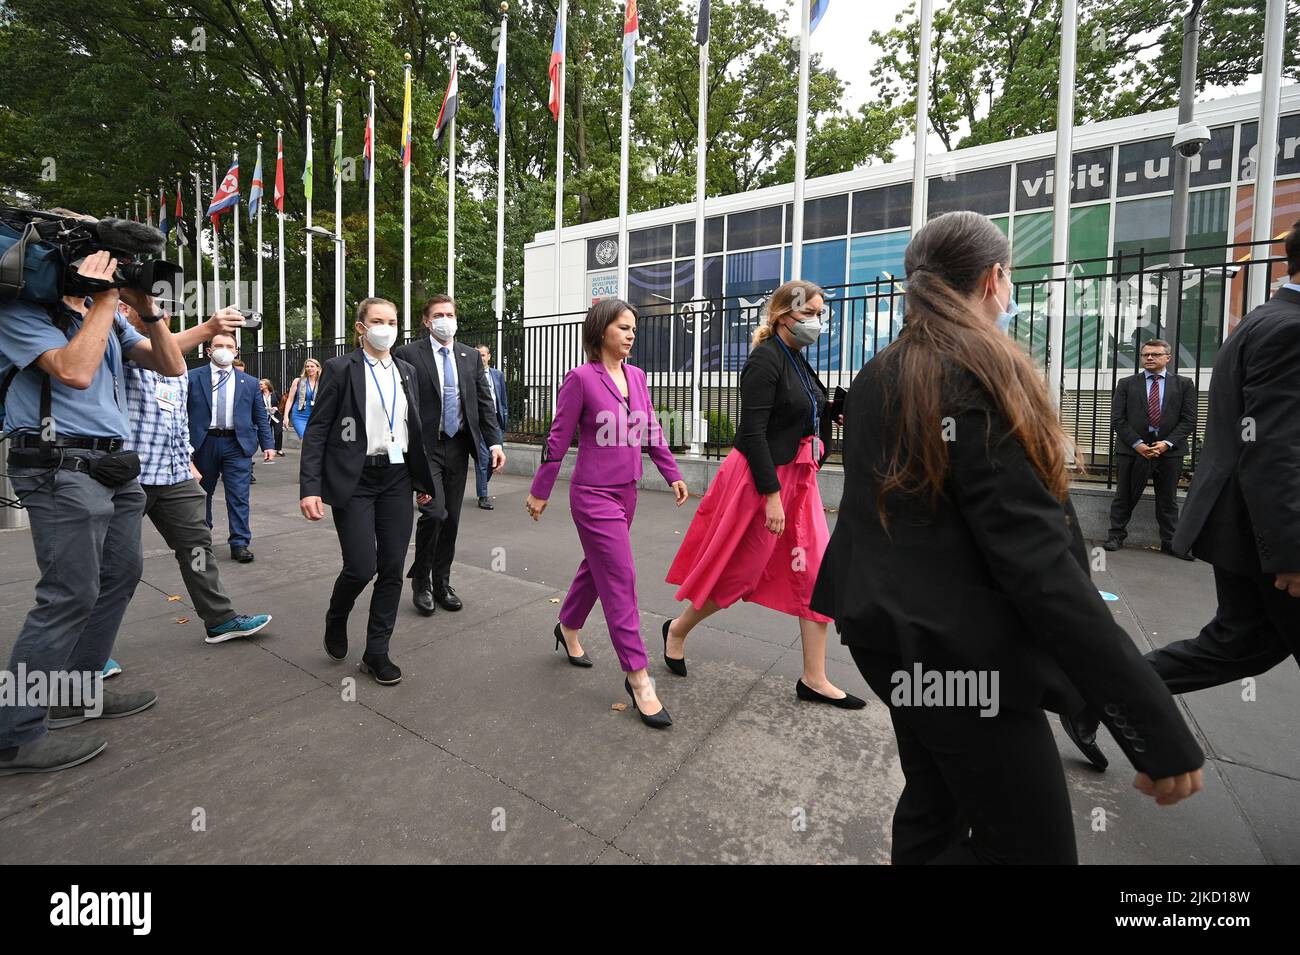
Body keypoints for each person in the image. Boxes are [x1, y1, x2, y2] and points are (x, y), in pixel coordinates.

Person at [810, 211, 1204, 864]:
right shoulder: (976, 376)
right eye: (1011, 279)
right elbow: (1041, 571)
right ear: (994, 279)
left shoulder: (882, 371)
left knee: (935, 810)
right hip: (968, 669)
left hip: (894, 646)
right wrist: (1155, 726)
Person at [1064, 221, 1300, 772]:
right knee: (1237, 643)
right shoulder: (1286, 328)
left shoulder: (1264, 322)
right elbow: (1275, 447)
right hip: (1271, 538)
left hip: (1249, 529)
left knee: (1238, 645)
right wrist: (1291, 550)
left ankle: (1097, 695)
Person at [0, 247, 181, 777]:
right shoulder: (20, 315)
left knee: (121, 574)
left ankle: (75, 692)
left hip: (113, 466)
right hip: (59, 467)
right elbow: (73, 372)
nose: (111, 273)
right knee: (67, 594)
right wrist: (104, 300)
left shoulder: (101, 315)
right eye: (99, 262)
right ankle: (15, 733)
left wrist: (146, 307)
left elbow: (169, 364)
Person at [664, 280, 863, 709]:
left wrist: (830, 412)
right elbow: (751, 432)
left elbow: (797, 413)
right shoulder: (765, 360)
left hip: (801, 482)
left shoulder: (796, 359)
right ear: (783, 315)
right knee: (740, 572)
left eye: (820, 314)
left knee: (814, 574)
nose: (817, 322)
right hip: (763, 481)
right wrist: (771, 495)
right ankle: (678, 630)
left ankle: (814, 678)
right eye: (809, 313)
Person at [525, 299, 688, 729]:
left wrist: (671, 472)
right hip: (593, 496)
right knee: (620, 576)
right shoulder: (580, 378)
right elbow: (558, 438)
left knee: (598, 568)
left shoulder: (636, 376)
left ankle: (568, 623)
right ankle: (638, 679)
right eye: (623, 327)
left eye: (633, 327)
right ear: (600, 332)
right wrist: (540, 490)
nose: (631, 334)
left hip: (626, 493)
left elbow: (650, 427)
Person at [299, 298, 442, 685]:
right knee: (362, 567)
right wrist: (310, 487)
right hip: (356, 479)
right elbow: (318, 429)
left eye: (392, 321)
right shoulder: (340, 369)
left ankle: (377, 651)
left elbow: (414, 431)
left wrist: (422, 482)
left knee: (393, 567)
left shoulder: (407, 371)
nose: (386, 328)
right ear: (361, 327)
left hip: (396, 477)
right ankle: (337, 614)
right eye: (377, 321)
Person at [120, 303, 272, 644]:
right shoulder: (119, 350)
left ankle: (220, 619)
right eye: (141, 307)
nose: (155, 313)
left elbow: (177, 419)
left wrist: (186, 458)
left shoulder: (176, 369)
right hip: (131, 476)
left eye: (160, 310)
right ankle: (88, 651)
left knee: (197, 547)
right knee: (116, 564)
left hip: (175, 474)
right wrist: (209, 327)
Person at [396, 295, 506, 615]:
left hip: (459, 447)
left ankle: (441, 582)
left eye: (451, 314)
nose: (446, 319)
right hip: (426, 448)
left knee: (453, 520)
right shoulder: (408, 354)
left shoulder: (470, 356)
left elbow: (484, 403)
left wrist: (495, 443)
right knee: (435, 514)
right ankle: (421, 582)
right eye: (439, 314)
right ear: (427, 321)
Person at [1103, 338, 1197, 558]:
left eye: (1155, 354)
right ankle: (1116, 535)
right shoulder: (1126, 384)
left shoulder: (1184, 384)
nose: (1149, 358)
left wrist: (1165, 444)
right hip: (1133, 450)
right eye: (1145, 355)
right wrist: (1139, 445)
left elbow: (1189, 420)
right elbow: (1118, 419)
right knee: (1124, 496)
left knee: (1168, 500)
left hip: (1170, 452)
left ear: (1168, 358)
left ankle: (1171, 542)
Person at [186, 331, 274, 563]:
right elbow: (182, 414)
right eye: (219, 345)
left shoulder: (250, 382)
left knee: (239, 496)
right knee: (202, 494)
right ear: (209, 351)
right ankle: (202, 541)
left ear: (236, 352)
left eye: (229, 345)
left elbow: (259, 416)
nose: (224, 349)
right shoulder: (192, 377)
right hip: (204, 443)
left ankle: (239, 542)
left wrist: (268, 444)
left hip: (237, 444)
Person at [473, 344, 508, 510]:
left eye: (483, 355)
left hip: (495, 421)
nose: (481, 358)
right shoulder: (471, 375)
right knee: (484, 459)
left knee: (494, 462)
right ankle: (483, 495)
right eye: (478, 355)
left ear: (489, 356)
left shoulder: (498, 374)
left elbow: (503, 399)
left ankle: (482, 484)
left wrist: (504, 420)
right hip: (479, 422)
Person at [285, 358, 321, 440]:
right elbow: (290, 400)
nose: (309, 368)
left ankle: (308, 453)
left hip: (316, 416)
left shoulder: (322, 382)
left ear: (318, 368)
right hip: (299, 416)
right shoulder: (298, 381)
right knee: (306, 439)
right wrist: (286, 416)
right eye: (307, 366)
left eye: (312, 366)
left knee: (314, 440)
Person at [259, 378, 284, 455]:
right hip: (265, 416)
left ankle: (278, 449)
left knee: (278, 431)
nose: (259, 385)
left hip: (276, 415)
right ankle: (267, 449)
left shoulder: (275, 393)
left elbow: (282, 402)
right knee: (266, 433)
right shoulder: (258, 394)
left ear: (266, 385)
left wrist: (277, 408)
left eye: (261, 384)